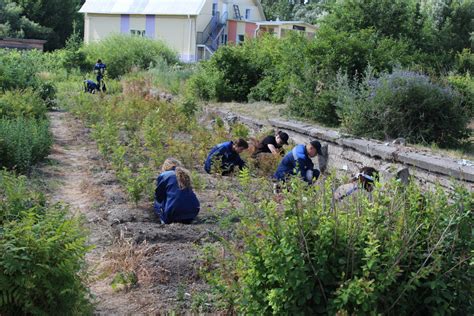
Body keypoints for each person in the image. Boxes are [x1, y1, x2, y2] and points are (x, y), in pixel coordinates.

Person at [154, 158, 200, 224]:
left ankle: (164, 221)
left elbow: (159, 197)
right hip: (193, 211)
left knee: (157, 202)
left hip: (174, 213)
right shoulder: (185, 173)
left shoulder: (164, 175)